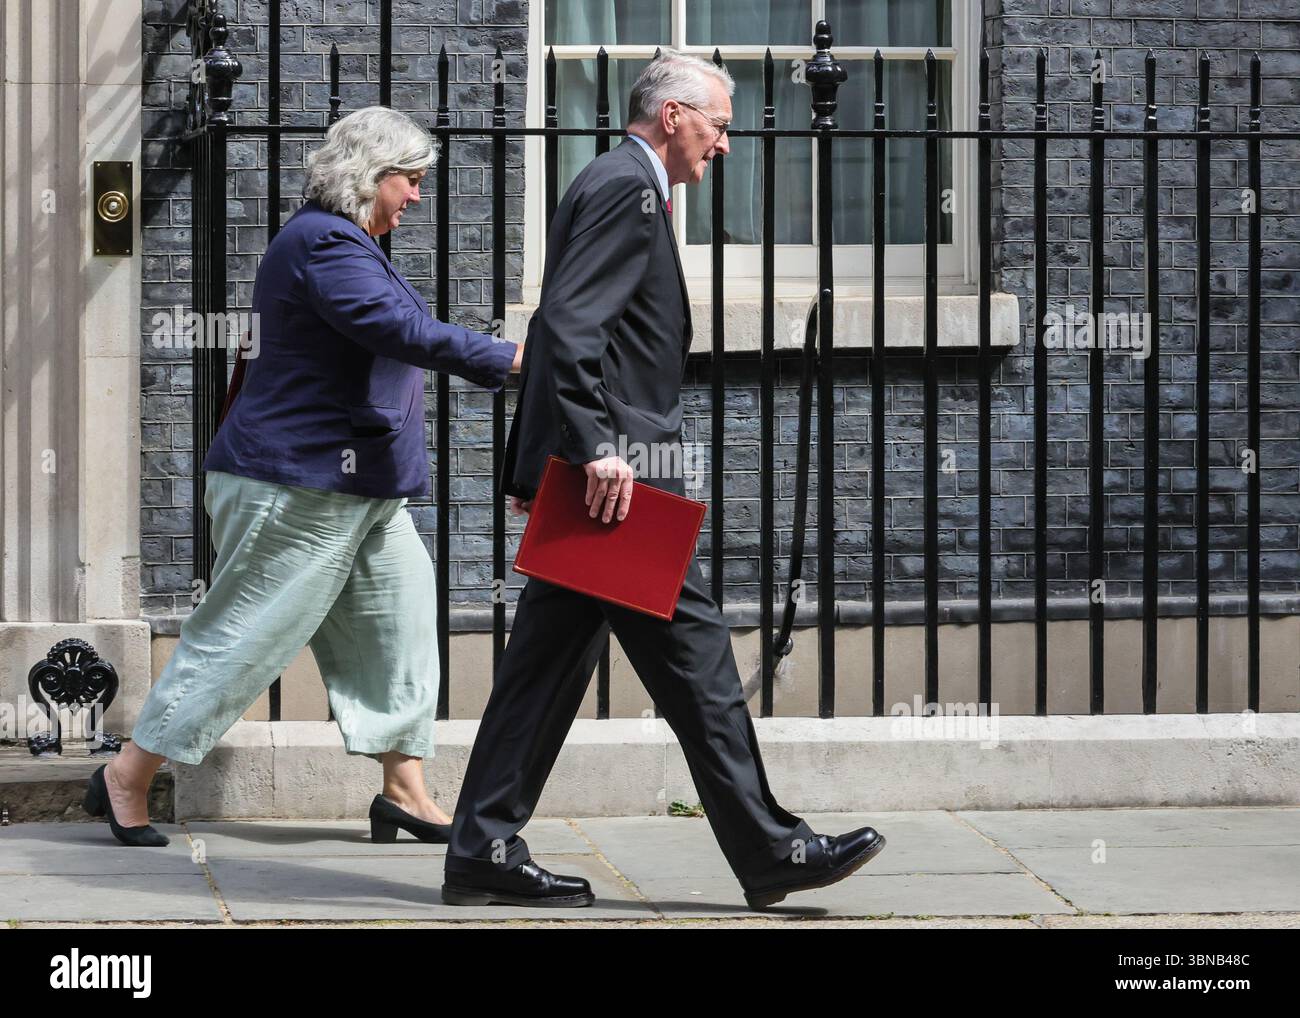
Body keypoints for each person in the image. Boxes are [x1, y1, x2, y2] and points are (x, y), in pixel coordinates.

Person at [441, 51, 886, 911]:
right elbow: (568, 327)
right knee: (700, 657)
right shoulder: (630, 186)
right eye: (719, 125)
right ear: (674, 115)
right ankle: (771, 849)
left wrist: (548, 456)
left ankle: (483, 847)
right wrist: (596, 446)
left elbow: (566, 323)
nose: (724, 144)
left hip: (596, 469)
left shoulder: (617, 181)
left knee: (545, 670)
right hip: (616, 480)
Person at [86, 106, 521, 848]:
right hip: (297, 487)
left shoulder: (346, 242)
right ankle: (126, 776)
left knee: (402, 631)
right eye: (408, 181)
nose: (416, 198)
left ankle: (405, 791)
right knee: (241, 640)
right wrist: (507, 358)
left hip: (361, 493)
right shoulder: (324, 244)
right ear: (367, 176)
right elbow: (397, 330)